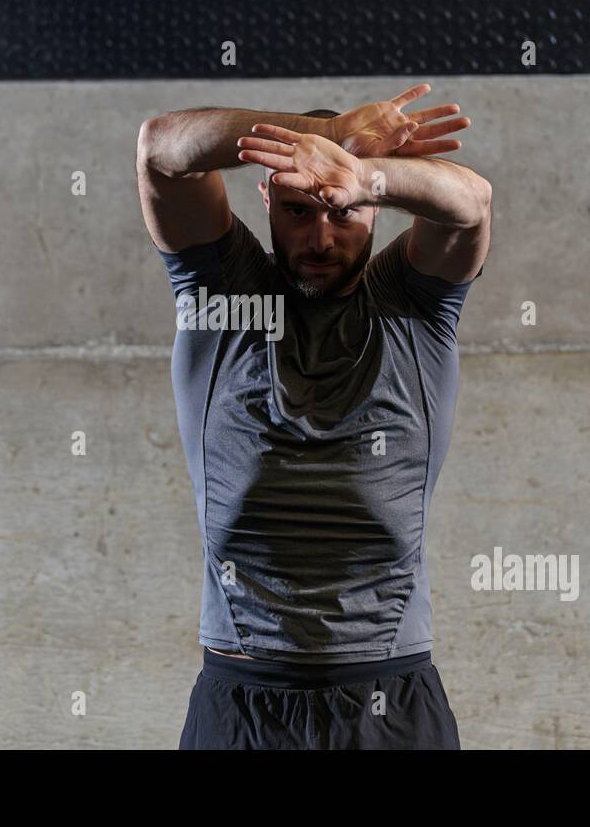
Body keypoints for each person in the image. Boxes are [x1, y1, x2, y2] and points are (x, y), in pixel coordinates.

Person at [136, 84, 491, 749]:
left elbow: (472, 206)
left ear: (376, 209)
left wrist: (369, 174)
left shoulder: (415, 307)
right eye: (299, 210)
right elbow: (160, 150)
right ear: (267, 198)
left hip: (388, 700)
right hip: (243, 699)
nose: (320, 237)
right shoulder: (222, 293)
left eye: (345, 212)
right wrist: (320, 135)